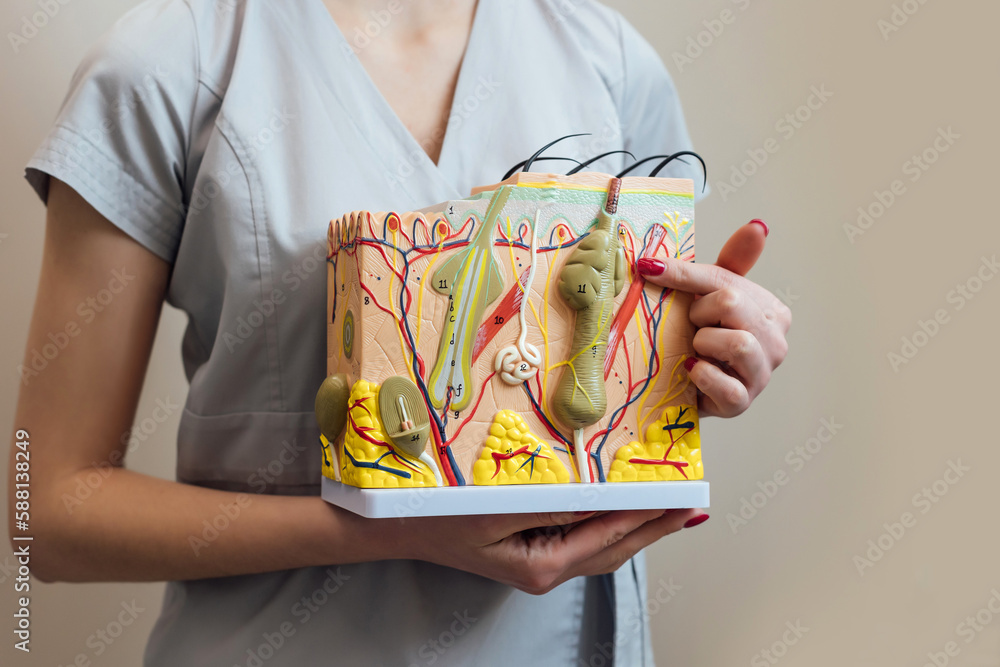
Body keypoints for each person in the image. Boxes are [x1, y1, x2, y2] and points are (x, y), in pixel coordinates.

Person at [9, 0, 790, 664]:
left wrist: (706, 360)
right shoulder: (165, 65)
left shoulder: (610, 61)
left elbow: (613, 382)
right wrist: (387, 527)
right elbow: (42, 512)